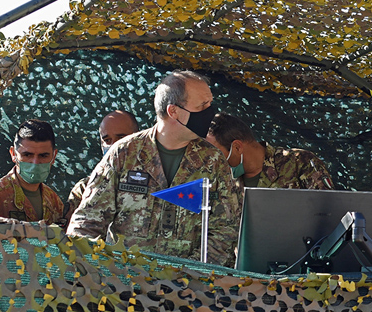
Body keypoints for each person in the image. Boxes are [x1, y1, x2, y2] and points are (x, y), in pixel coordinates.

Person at [67, 71, 242, 266]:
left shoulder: (213, 161)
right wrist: (94, 271)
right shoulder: (124, 154)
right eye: (203, 106)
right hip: (125, 282)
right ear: (173, 111)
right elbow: (87, 222)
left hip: (186, 286)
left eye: (210, 104)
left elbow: (226, 229)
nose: (211, 112)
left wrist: (189, 274)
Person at [206, 112, 335, 191]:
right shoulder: (221, 182)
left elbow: (328, 213)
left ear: (237, 147)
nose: (212, 161)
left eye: (216, 154)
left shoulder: (299, 163)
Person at [65, 109, 140, 223]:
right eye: (107, 140)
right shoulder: (85, 188)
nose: (114, 146)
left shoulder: (156, 182)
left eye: (121, 138)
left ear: (138, 139)